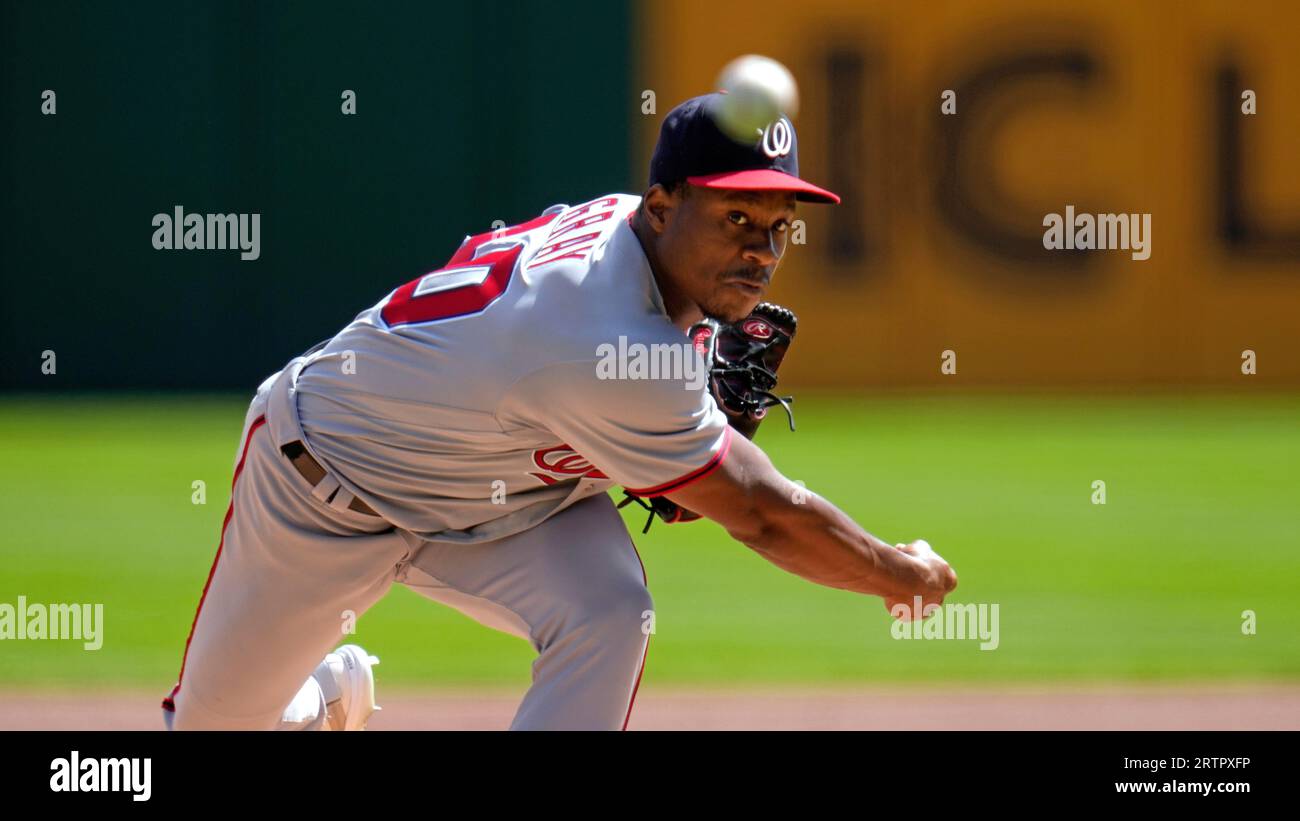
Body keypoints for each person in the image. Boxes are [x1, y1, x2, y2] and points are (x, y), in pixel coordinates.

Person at [161, 93, 957, 731]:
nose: (761, 249)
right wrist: (898, 573)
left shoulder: (634, 266)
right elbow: (762, 513)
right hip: (322, 484)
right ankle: (318, 704)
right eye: (736, 218)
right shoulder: (597, 329)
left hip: (505, 492)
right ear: (660, 205)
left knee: (608, 612)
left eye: (779, 227)